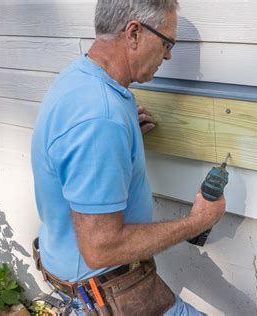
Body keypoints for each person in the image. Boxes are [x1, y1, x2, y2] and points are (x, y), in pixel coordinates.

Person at [30, 0, 226, 314]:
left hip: (74, 281)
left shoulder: (80, 79)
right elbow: (101, 248)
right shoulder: (99, 119)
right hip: (104, 293)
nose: (168, 54)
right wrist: (197, 222)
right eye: (166, 43)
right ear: (133, 32)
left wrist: (119, 143)